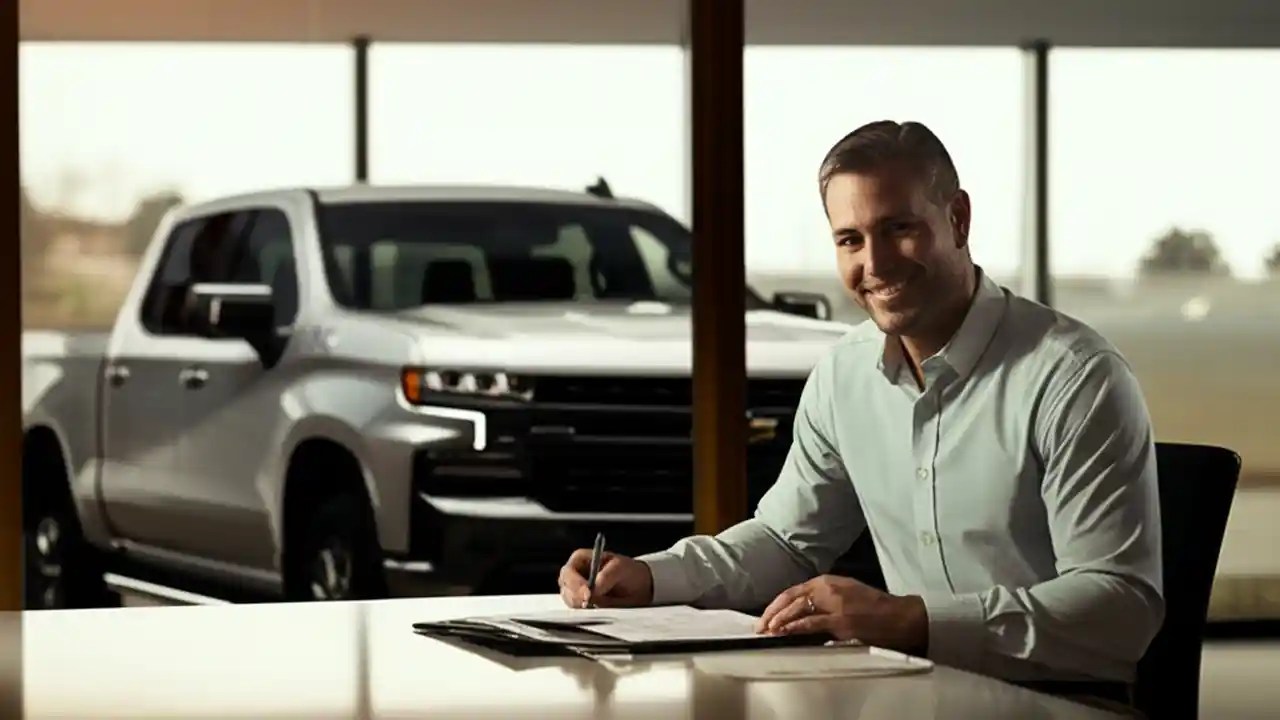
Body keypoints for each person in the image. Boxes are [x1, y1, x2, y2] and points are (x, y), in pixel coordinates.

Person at [557, 119, 1164, 707]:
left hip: (1064, 701)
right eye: (850, 239)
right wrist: (649, 578)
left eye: (899, 228)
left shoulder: (1075, 377)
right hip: (909, 691)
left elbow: (1120, 608)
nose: (874, 263)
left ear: (958, 219)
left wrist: (909, 619)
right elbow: (784, 542)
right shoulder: (843, 375)